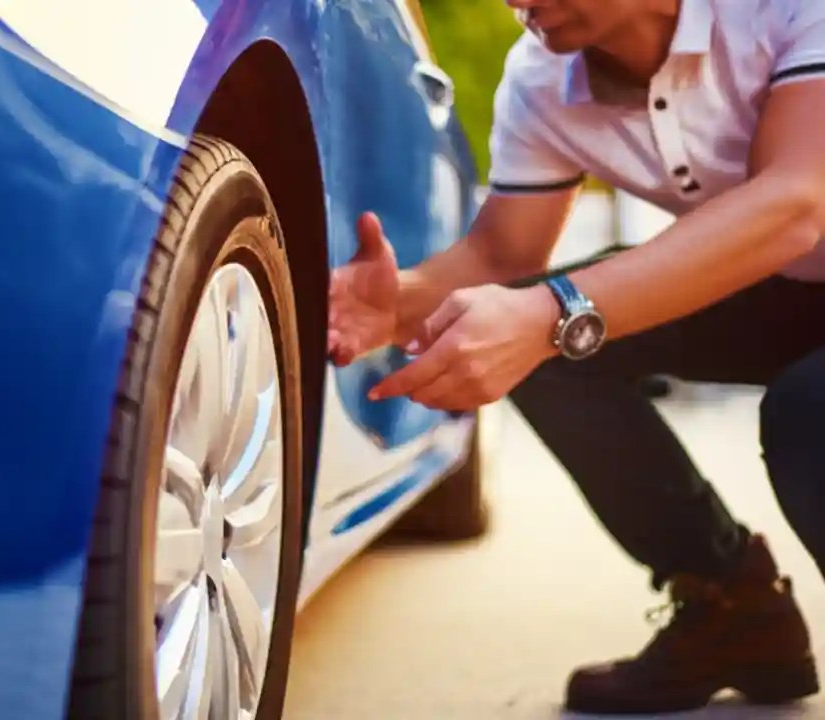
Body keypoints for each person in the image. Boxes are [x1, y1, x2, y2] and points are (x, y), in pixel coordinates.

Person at [328, 0, 825, 714]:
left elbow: (796, 200)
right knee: (554, 349)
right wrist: (398, 302)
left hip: (794, 249)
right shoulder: (541, 81)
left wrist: (553, 310)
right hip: (778, 287)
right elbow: (501, 257)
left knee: (809, 413)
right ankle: (735, 611)